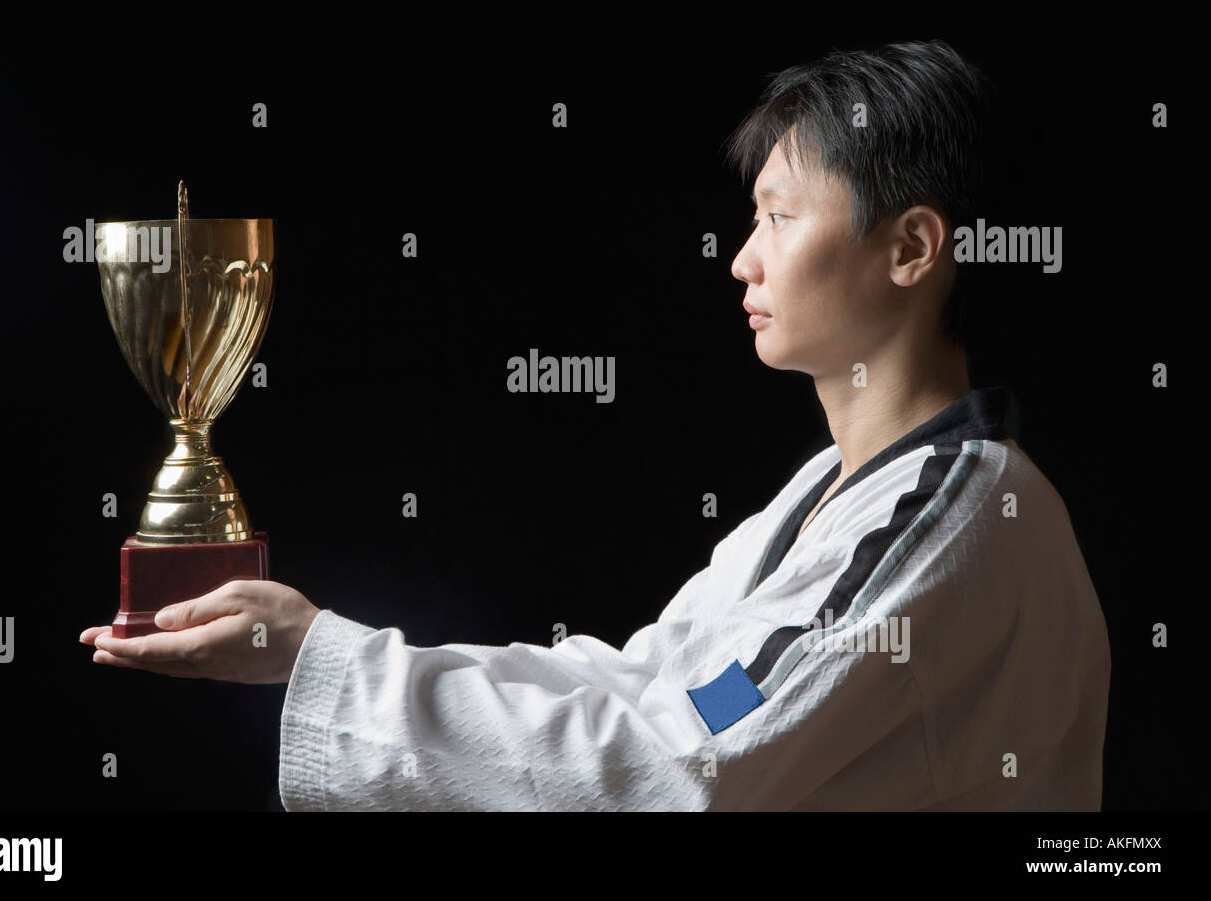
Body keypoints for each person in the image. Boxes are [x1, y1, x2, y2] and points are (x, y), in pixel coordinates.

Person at [80, 39, 1111, 810]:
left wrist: (331, 661)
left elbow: (680, 765)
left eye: (780, 214)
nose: (743, 259)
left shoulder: (955, 512)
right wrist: (314, 651)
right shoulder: (832, 493)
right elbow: (639, 678)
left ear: (912, 247)